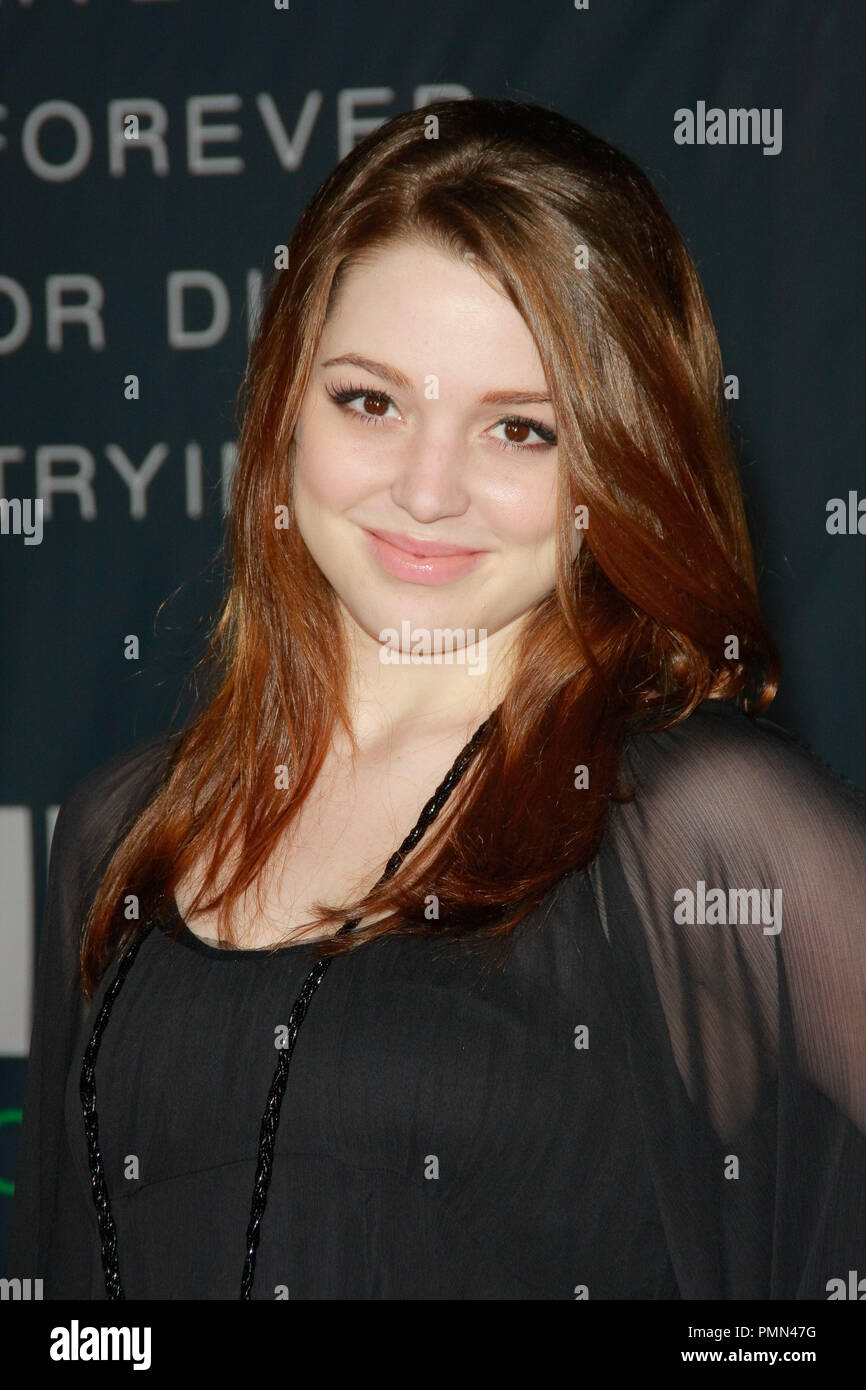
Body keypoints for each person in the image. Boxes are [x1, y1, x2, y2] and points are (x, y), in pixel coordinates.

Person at [6, 98, 865, 1301]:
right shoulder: (119, 828)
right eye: (369, 401)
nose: (424, 488)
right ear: (282, 408)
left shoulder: (692, 824)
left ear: (613, 464)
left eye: (516, 429)